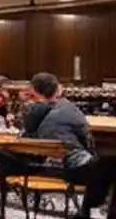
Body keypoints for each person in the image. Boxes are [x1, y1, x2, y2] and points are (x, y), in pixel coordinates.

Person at [18, 73, 113, 218]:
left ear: (34, 90)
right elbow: (86, 136)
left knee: (107, 166)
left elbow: (25, 136)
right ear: (57, 89)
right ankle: (87, 211)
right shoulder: (67, 108)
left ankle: (85, 211)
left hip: (44, 166)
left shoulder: (30, 112)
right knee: (109, 164)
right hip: (69, 168)